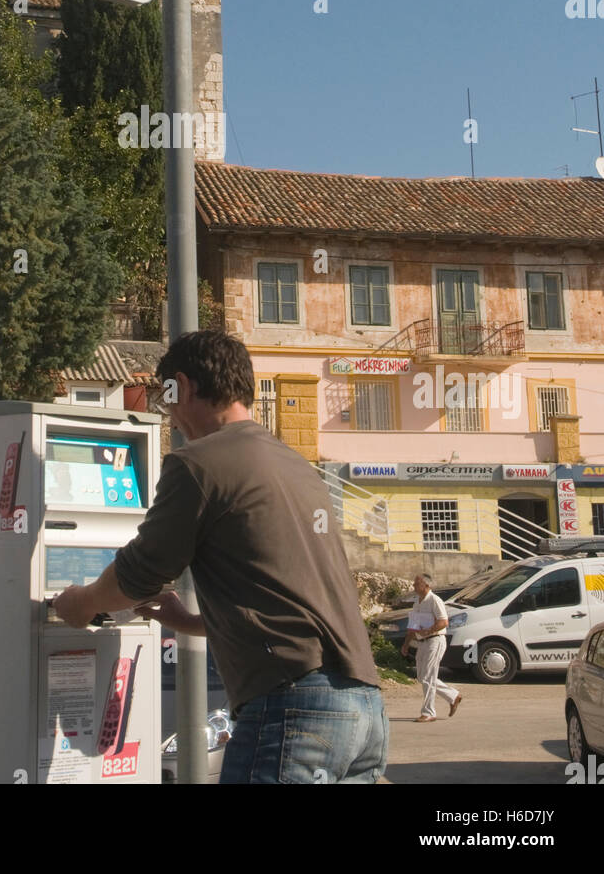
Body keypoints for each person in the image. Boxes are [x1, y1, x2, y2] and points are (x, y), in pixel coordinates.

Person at [53, 330, 388, 784]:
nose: (167, 410)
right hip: (362, 707)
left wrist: (82, 602)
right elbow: (290, 598)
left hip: (292, 705)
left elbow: (139, 573)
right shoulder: (295, 467)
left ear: (184, 386)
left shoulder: (199, 463)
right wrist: (190, 622)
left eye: (166, 395)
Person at [401, 573, 462, 721]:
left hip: (435, 640)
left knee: (428, 676)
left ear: (427, 585)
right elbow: (413, 626)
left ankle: (428, 712)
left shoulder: (435, 600)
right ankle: (453, 696)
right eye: (414, 583)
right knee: (422, 677)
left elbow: (443, 622)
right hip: (422, 643)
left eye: (417, 584)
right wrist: (406, 644)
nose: (414, 586)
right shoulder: (417, 603)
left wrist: (427, 631)